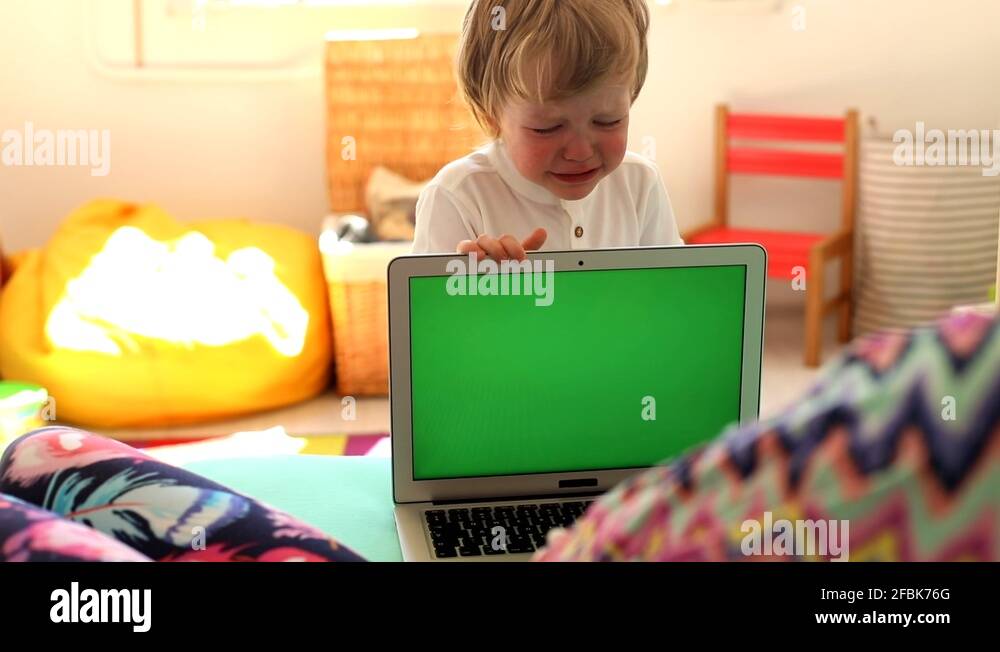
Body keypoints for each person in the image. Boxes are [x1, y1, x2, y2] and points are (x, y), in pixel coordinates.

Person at [412, 0, 683, 261]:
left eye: (608, 121)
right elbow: (429, 307)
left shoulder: (640, 183)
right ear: (491, 115)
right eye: (547, 128)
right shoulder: (456, 196)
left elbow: (673, 294)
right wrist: (480, 290)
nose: (580, 153)